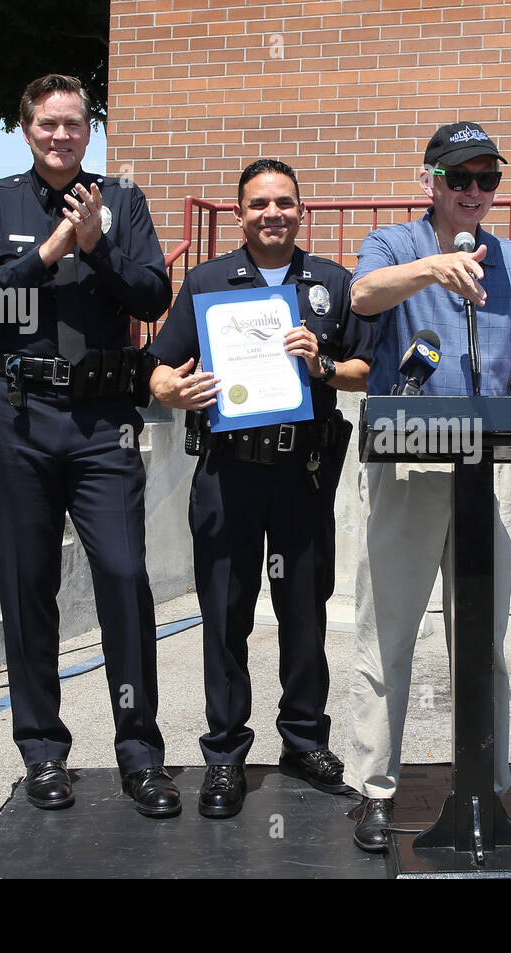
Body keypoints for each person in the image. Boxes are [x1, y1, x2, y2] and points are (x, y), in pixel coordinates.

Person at [343, 122, 511, 853]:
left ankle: (485, 781)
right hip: (410, 463)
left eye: (488, 179)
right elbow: (363, 296)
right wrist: (433, 270)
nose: (476, 191)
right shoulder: (393, 244)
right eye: (461, 177)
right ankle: (375, 788)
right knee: (389, 634)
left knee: (487, 642)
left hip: (490, 471)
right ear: (432, 181)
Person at [0, 74, 179, 817]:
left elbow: (153, 296)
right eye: (48, 125)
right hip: (17, 415)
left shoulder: (125, 203)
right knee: (27, 586)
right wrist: (52, 251)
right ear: (26, 129)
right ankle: (43, 751)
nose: (62, 137)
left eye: (74, 125)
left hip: (103, 420)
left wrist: (100, 248)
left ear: (90, 131)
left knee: (122, 576)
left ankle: (140, 752)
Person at [148, 159, 373, 819]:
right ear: (241, 212)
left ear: (300, 209)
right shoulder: (208, 280)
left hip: (302, 471)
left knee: (305, 608)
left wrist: (323, 364)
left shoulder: (331, 282)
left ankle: (305, 740)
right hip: (228, 469)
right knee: (225, 613)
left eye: (284, 202)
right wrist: (174, 389)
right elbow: (160, 368)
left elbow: (367, 368)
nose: (272, 213)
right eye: (258, 204)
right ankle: (224, 755)